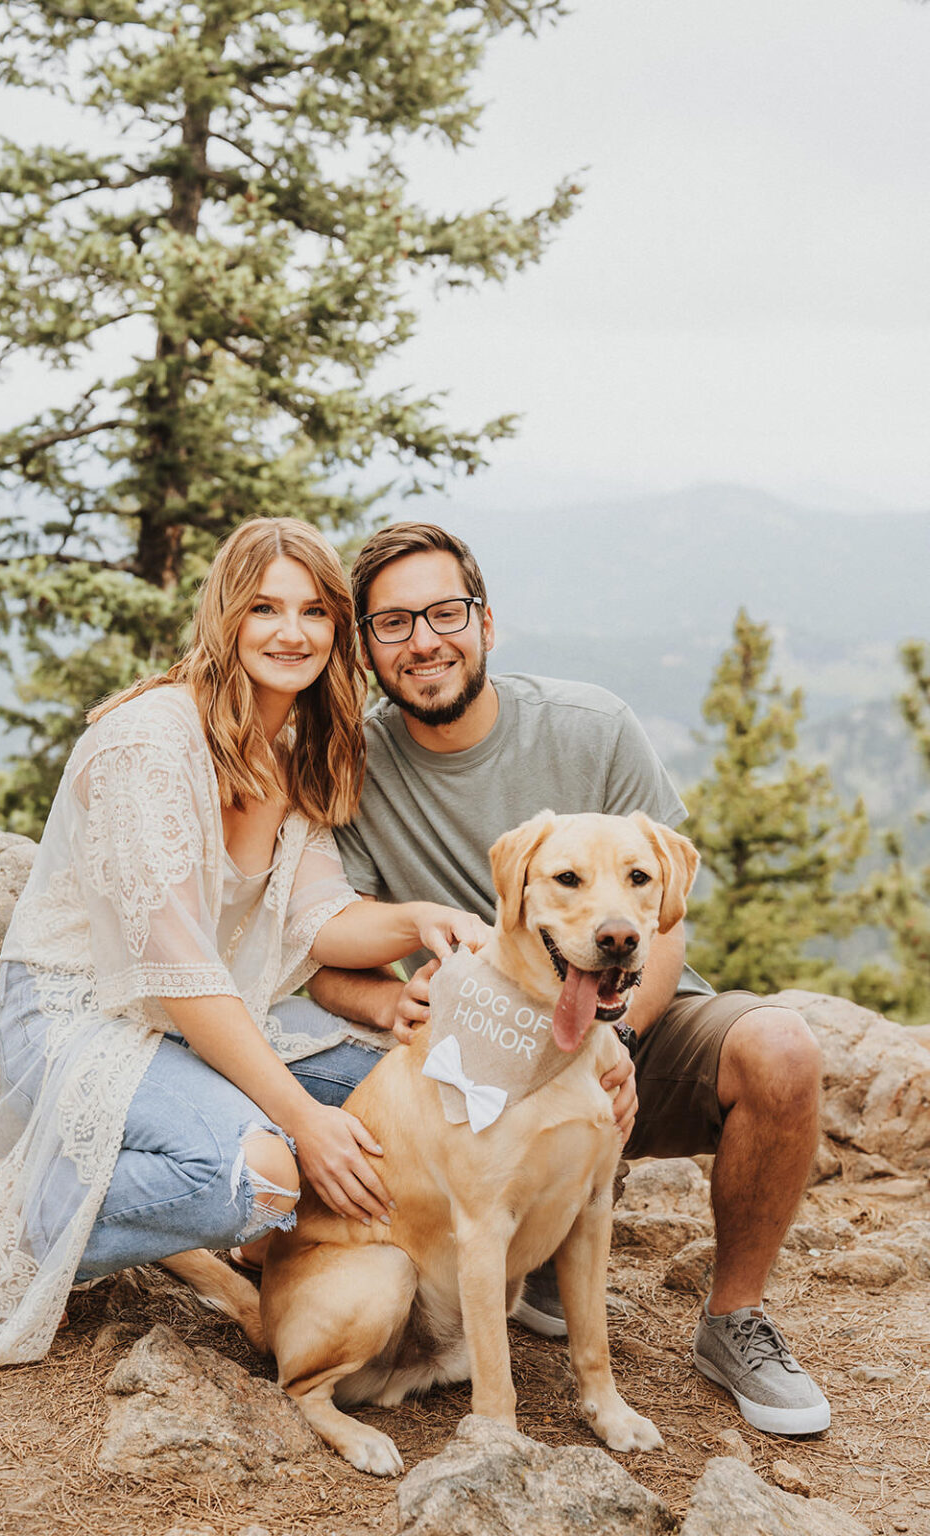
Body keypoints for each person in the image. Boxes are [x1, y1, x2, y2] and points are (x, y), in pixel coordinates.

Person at [0, 517, 486, 1371]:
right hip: (84, 1010)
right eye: (264, 609)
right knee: (268, 1171)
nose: (291, 633)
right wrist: (302, 1122)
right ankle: (27, 1218)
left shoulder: (292, 751)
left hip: (196, 1015)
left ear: (337, 630)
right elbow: (179, 972)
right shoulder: (151, 743)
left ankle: (280, 1244)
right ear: (227, 619)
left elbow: (318, 916)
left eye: (314, 613)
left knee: (397, 1089)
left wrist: (420, 921)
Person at [294, 520, 830, 1438]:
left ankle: (733, 1319)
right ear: (366, 647)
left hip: (630, 1034)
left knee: (782, 1048)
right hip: (483, 1056)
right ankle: (529, 1261)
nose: (425, 640)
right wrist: (389, 998)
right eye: (393, 624)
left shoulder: (592, 727)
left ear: (486, 622)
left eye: (445, 613)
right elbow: (317, 955)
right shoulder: (357, 772)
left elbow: (661, 921)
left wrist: (618, 1038)